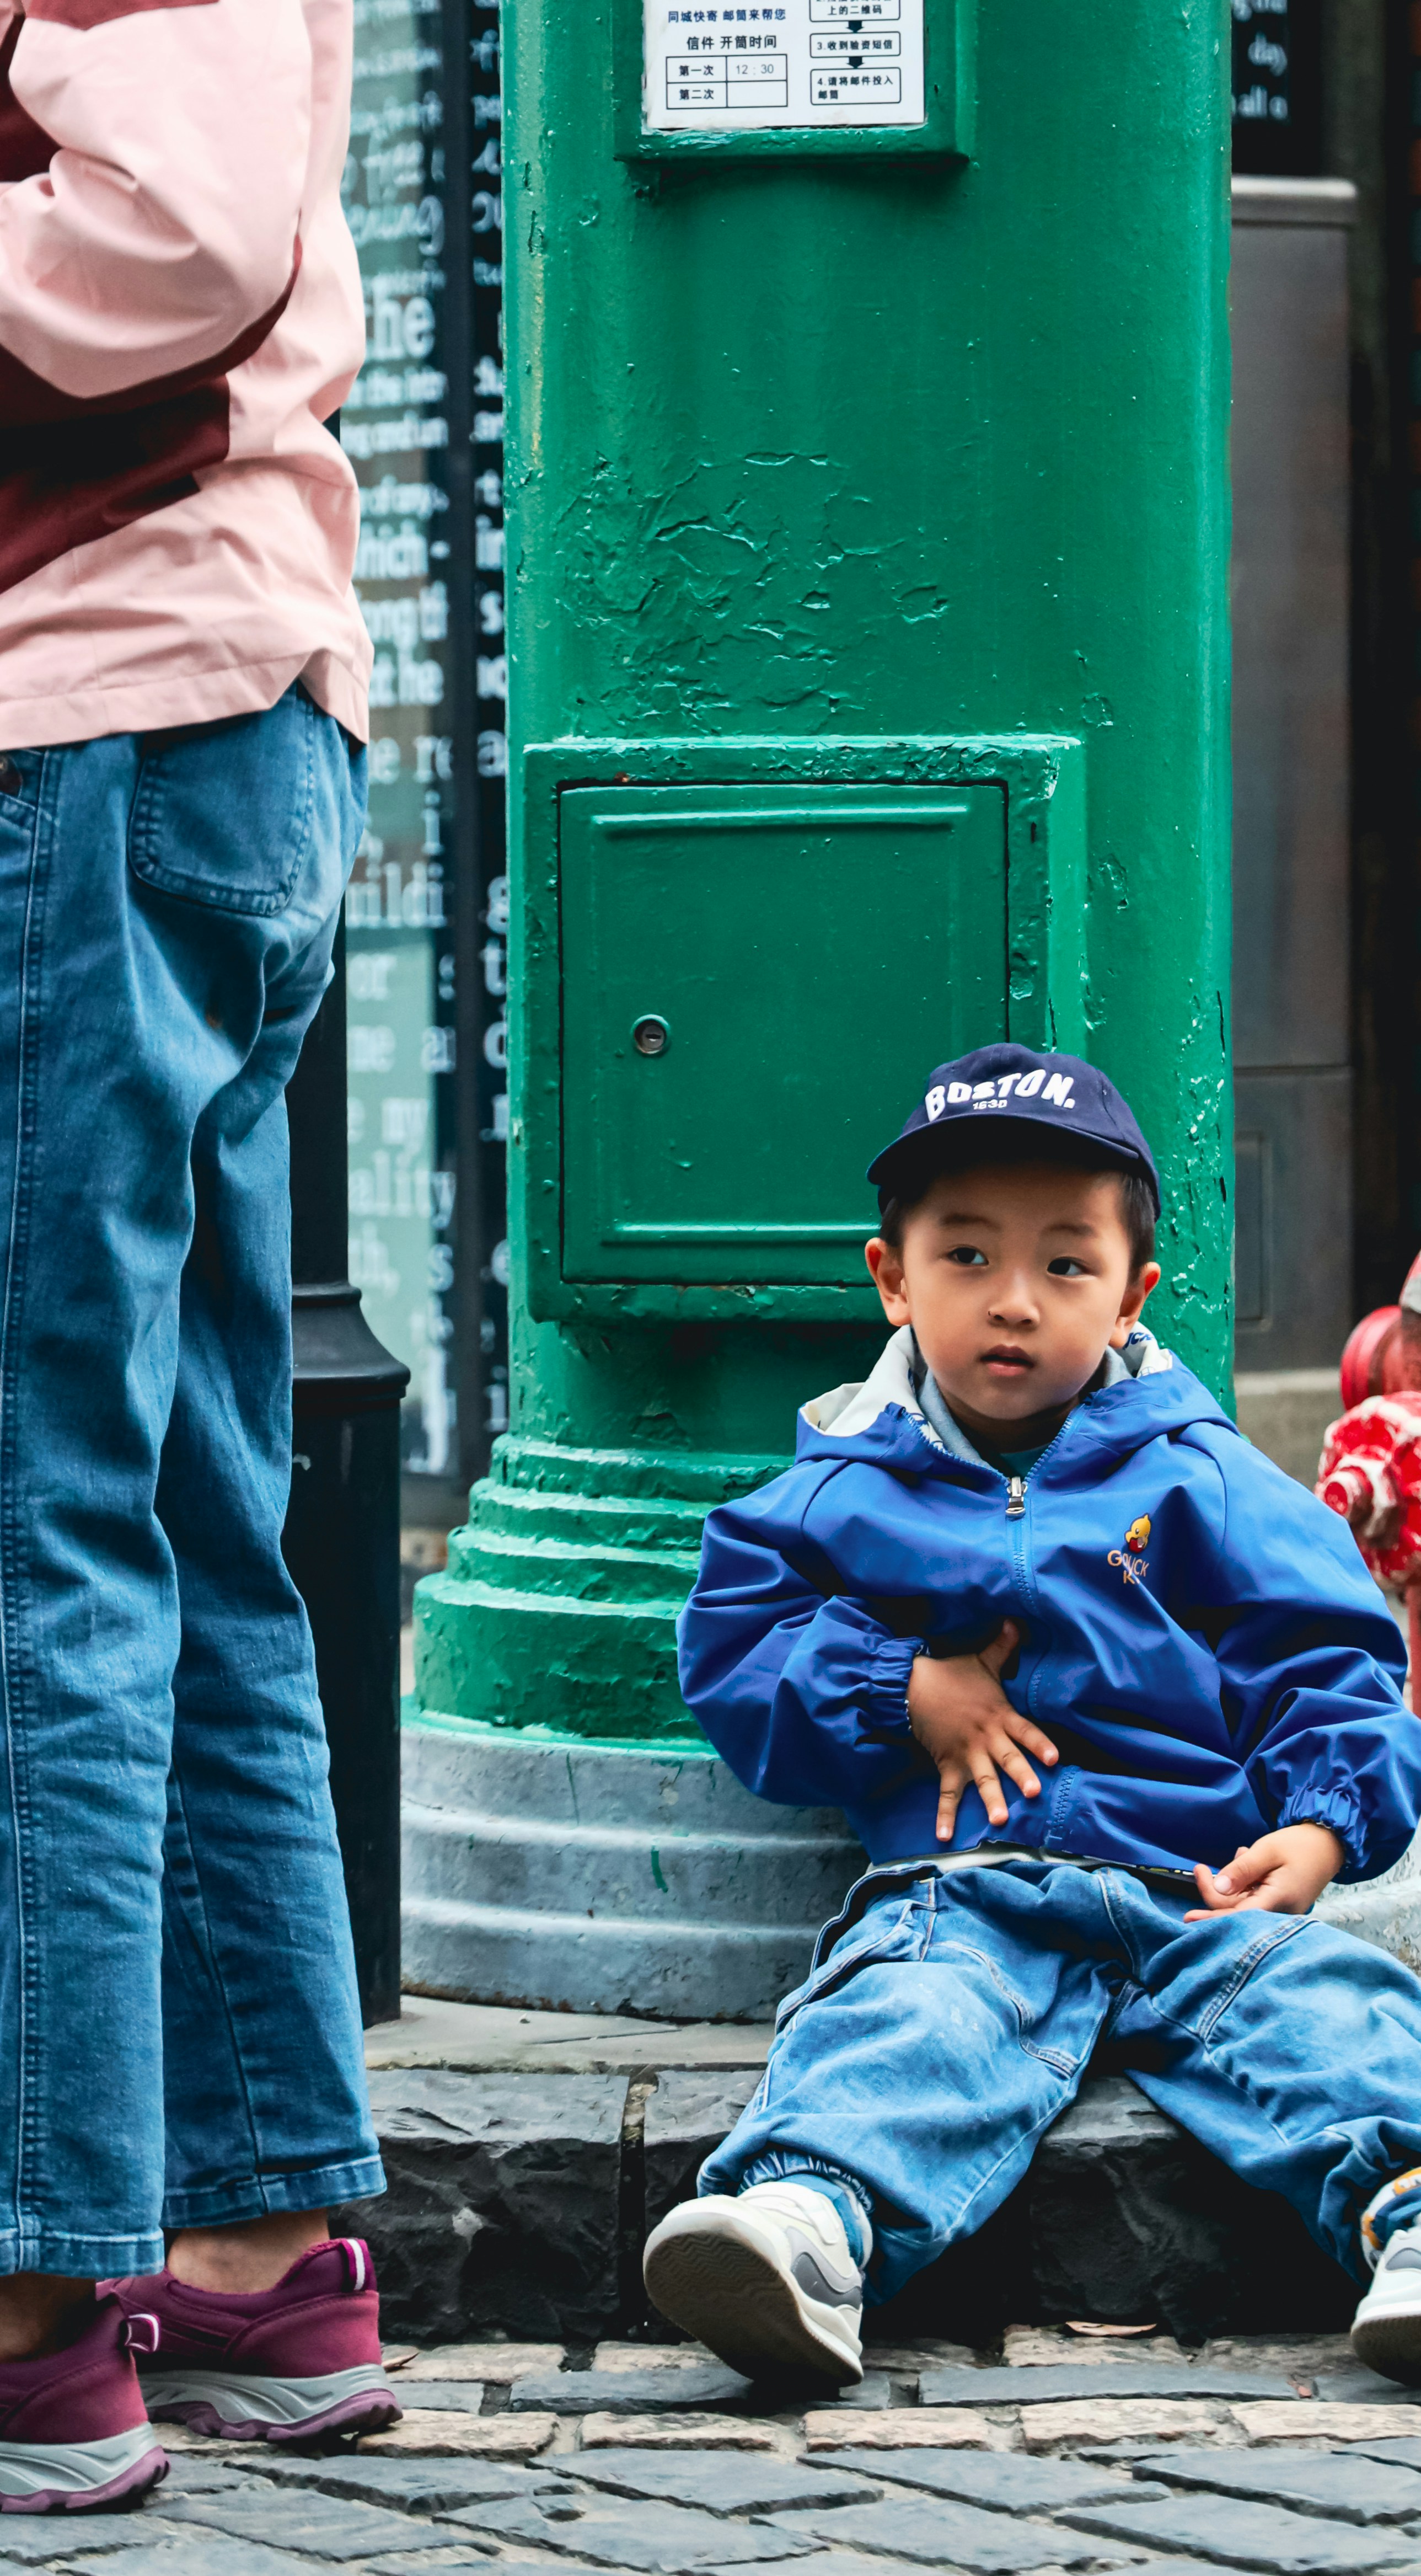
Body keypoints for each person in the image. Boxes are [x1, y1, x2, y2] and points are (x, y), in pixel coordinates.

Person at [646, 1044, 1421, 2386]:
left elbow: (1326, 1649)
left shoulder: (1199, 1474)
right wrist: (897, 1686)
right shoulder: (837, 1483)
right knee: (900, 2020)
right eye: (965, 1258)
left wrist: (1319, 1827)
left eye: (1063, 1266)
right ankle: (806, 2226)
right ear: (891, 1277)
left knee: (1337, 2008)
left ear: (1130, 1292)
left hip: (1200, 1890)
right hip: (968, 1889)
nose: (1012, 1303)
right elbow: (735, 1640)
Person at [0, 0, 396, 2512]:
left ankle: (38, 2290)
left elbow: (168, 227)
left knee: (43, 1514)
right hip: (210, 715)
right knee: (184, 1508)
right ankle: (259, 2237)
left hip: (98, 721)